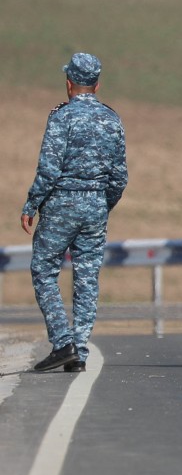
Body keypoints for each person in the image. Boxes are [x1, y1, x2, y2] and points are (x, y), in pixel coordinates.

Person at [21, 52, 128, 373]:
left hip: (62, 203)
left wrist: (31, 204)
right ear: (97, 85)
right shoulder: (112, 119)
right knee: (87, 276)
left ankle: (63, 342)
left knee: (43, 270)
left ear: (69, 83)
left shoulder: (61, 117)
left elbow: (50, 169)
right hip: (96, 204)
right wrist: (101, 202)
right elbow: (120, 176)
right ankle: (78, 352)